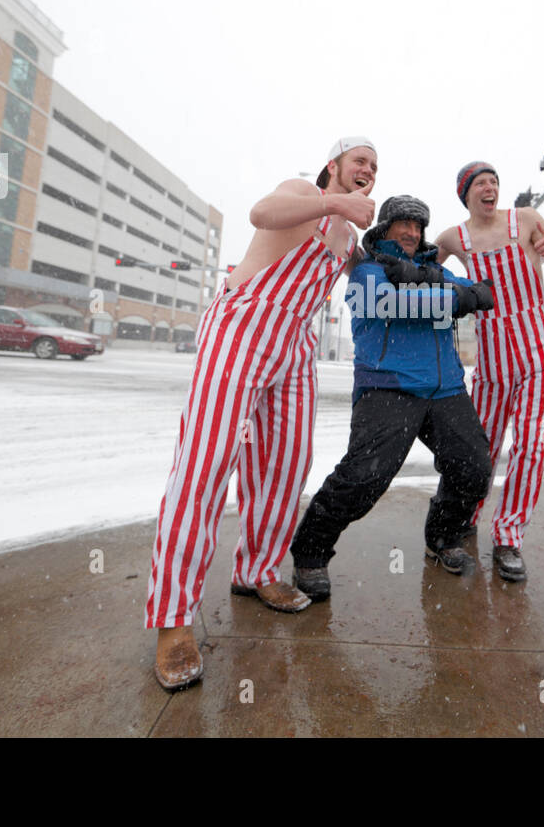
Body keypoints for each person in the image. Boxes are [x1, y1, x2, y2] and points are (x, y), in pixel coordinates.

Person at [146, 137, 377, 691]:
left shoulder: (349, 238)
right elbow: (261, 213)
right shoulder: (303, 193)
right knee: (205, 464)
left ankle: (257, 571)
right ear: (334, 168)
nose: (368, 169)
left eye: (374, 165)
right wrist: (334, 203)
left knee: (287, 463)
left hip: (294, 344)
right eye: (359, 161)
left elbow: (369, 274)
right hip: (243, 324)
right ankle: (172, 620)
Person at [289, 195, 497, 600]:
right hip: (387, 386)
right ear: (384, 229)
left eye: (418, 227)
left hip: (445, 388)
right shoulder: (368, 270)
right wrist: (453, 298)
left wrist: (432, 282)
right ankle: (310, 552)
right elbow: (386, 304)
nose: (411, 232)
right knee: (364, 479)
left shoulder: (434, 269)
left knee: (473, 468)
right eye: (402, 224)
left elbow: (482, 291)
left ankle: (443, 537)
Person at [433, 162, 544, 582]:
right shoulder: (454, 237)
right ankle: (466, 519)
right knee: (481, 448)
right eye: (480, 183)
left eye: (494, 182)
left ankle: (509, 536)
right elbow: (425, 272)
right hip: (493, 354)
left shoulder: (527, 220)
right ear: (466, 194)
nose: (489, 188)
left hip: (540, 350)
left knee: (532, 442)